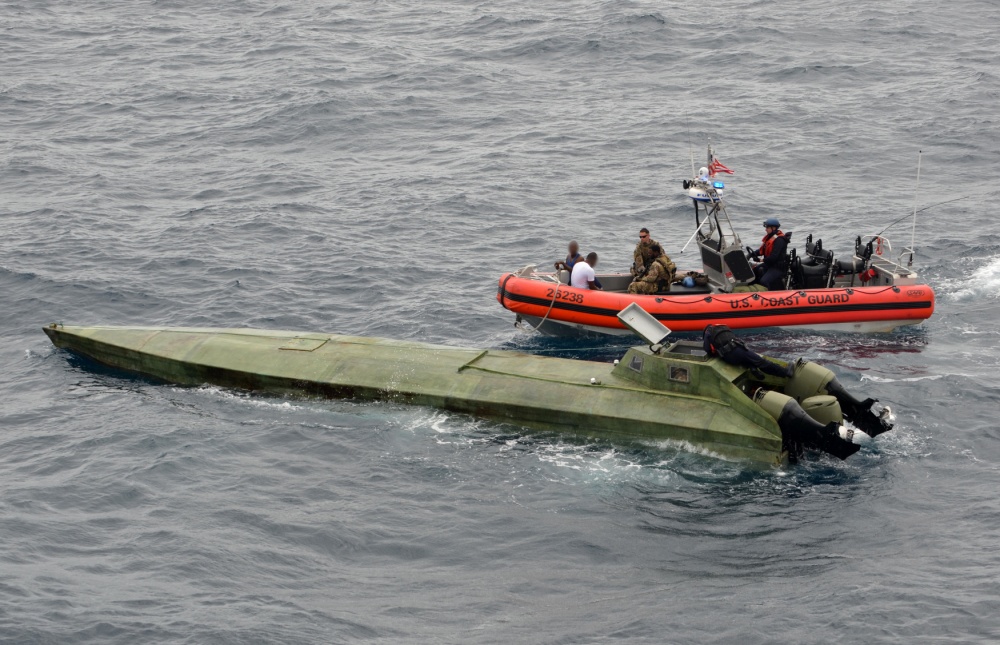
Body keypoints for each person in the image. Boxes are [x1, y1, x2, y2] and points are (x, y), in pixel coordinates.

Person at [703, 324, 795, 378]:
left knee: (744, 359)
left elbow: (707, 348)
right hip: (738, 350)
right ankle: (786, 372)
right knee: (762, 362)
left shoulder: (708, 332)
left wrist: (715, 355)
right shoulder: (721, 328)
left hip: (729, 358)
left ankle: (752, 367)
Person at [750, 217, 789, 291]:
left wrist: (760, 260)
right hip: (770, 264)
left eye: (767, 227)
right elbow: (762, 250)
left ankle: (769, 295)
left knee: (764, 281)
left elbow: (773, 257)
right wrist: (751, 254)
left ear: (773, 228)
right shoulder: (771, 238)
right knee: (754, 271)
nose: (765, 229)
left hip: (777, 267)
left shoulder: (779, 241)